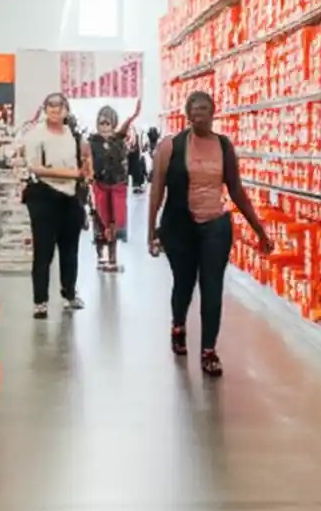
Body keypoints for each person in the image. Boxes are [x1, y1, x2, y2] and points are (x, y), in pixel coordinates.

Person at [147, 91, 273, 377]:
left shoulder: (224, 146)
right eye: (194, 109)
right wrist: (150, 232)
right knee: (183, 283)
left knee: (212, 287)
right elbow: (157, 190)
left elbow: (236, 190)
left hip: (215, 226)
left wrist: (259, 230)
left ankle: (208, 350)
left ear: (213, 112)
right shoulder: (170, 146)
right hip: (178, 226)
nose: (199, 113)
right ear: (187, 114)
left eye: (204, 108)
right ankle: (178, 325)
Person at [23, 92, 91, 318]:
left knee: (70, 250)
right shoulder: (35, 135)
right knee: (43, 251)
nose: (55, 110)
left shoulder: (72, 133)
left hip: (70, 197)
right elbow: (35, 167)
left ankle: (69, 294)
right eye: (50, 106)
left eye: (59, 107)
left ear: (66, 110)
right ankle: (40, 301)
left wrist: (82, 174)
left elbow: (83, 160)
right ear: (45, 109)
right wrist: (71, 174)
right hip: (44, 196)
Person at [88, 100, 140, 272]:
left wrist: (133, 116)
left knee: (114, 223)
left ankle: (113, 258)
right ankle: (100, 256)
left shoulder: (118, 139)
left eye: (107, 123)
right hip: (98, 185)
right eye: (101, 123)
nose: (104, 126)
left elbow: (124, 129)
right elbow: (86, 160)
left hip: (117, 185)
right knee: (99, 221)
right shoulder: (91, 141)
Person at [126, 127, 146, 194]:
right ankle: (136, 185)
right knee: (136, 170)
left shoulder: (136, 137)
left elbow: (140, 147)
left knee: (137, 170)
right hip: (133, 157)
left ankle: (137, 185)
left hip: (135, 157)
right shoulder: (130, 138)